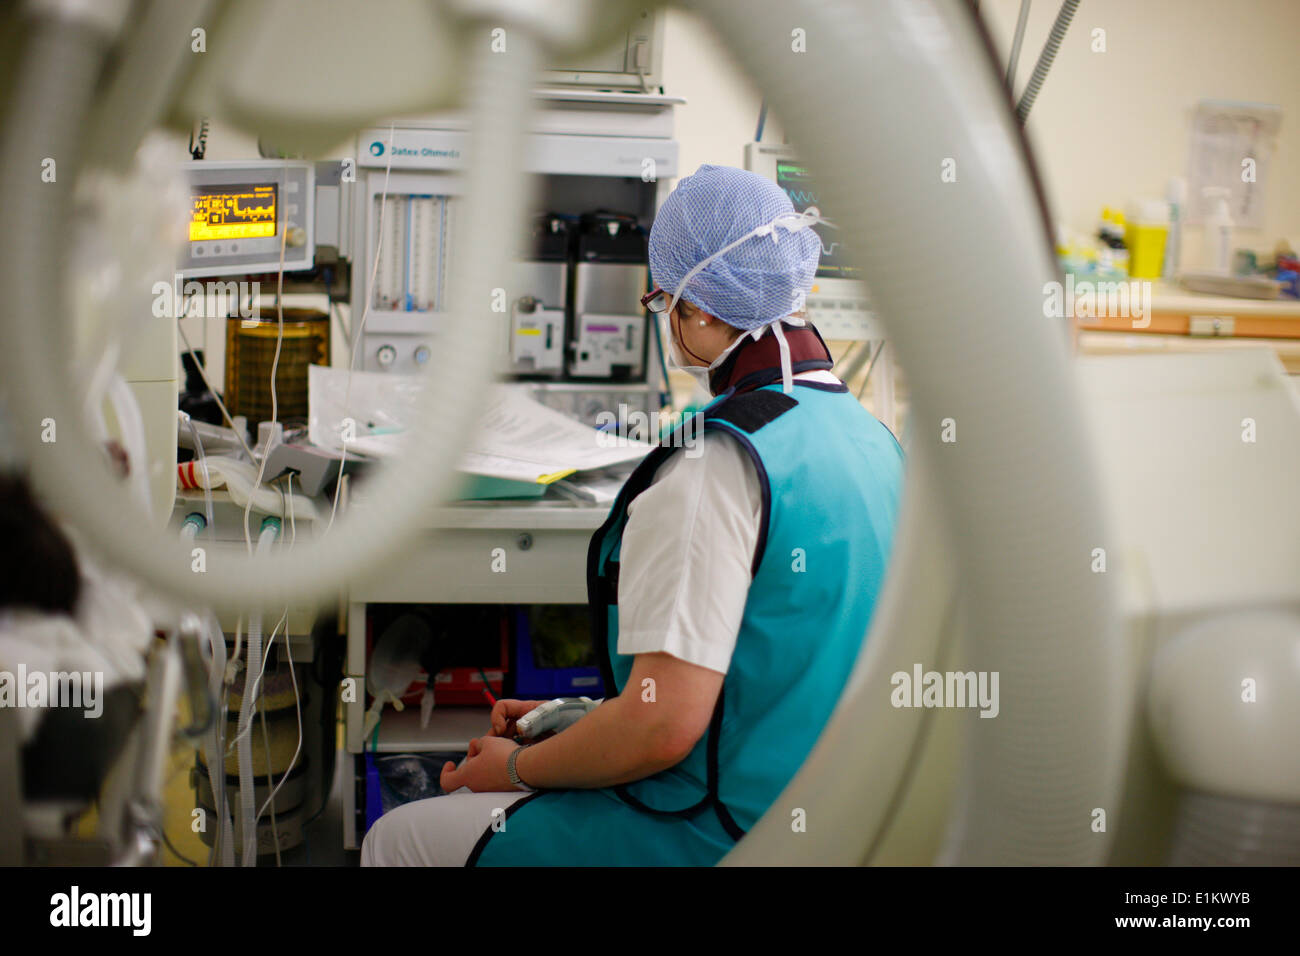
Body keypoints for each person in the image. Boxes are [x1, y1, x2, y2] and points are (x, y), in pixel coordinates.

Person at [361, 165, 903, 866]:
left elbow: (662, 728)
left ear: (701, 310)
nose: (667, 323)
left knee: (398, 838)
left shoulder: (715, 468)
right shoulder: (872, 439)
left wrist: (513, 769)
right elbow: (767, 680)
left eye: (665, 301)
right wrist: (581, 720)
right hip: (841, 822)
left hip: (719, 831)